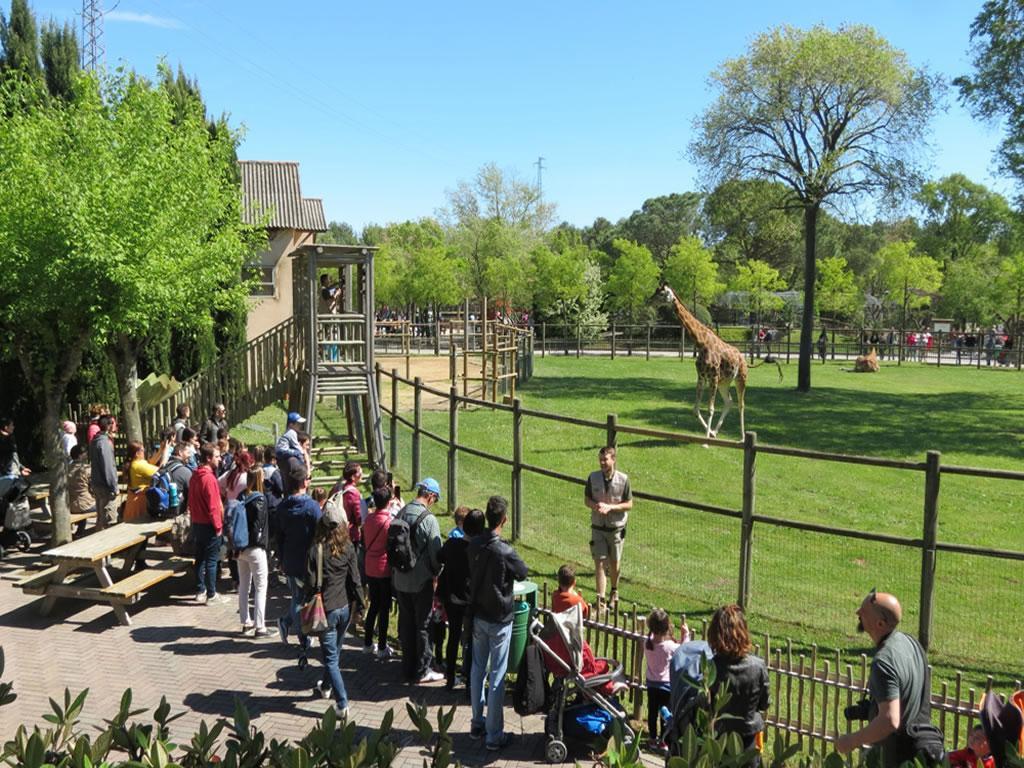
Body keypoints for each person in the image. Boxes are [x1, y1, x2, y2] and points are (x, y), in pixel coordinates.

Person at [835, 590, 943, 767]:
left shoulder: (884, 662)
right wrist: (872, 710)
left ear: (879, 623)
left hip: (899, 756)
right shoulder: (910, 643)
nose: (858, 613)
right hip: (921, 753)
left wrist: (851, 741)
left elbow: (890, 720)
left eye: (864, 611)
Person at [468, 495, 528, 751]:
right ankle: (494, 734)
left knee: (477, 669)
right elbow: (523, 571)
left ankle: (477, 722)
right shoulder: (504, 550)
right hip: (499, 618)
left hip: (478, 615)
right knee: (497, 676)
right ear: (504, 519)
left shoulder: (474, 544)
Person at [307, 500, 360, 718]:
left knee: (330, 658)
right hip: (344, 607)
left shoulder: (316, 550)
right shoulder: (348, 548)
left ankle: (342, 703)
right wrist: (361, 605)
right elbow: (355, 579)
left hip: (326, 609)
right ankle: (325, 687)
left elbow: (310, 582)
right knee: (334, 653)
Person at [393, 478, 444, 684]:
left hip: (400, 579)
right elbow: (436, 554)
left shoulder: (401, 512)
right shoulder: (429, 520)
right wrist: (436, 573)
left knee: (406, 623)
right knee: (423, 625)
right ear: (430, 495)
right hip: (421, 581)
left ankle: (407, 666)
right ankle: (422, 669)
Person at [276, 461, 322, 669]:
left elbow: (279, 536)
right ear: (304, 482)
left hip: (290, 560)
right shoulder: (312, 507)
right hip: (309, 563)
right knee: (301, 600)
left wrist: (281, 559)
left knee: (297, 596)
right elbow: (321, 535)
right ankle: (302, 635)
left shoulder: (282, 507)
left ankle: (289, 624)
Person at [706, 604, 770, 756]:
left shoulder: (711, 667)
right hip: (748, 740)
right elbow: (764, 703)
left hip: (718, 741)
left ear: (714, 634)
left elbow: (705, 705)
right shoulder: (758, 666)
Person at [437, 506, 481, 689]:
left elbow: (440, 557)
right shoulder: (478, 551)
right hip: (469, 601)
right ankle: (469, 678)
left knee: (453, 637)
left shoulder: (451, 544)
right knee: (470, 640)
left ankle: (450, 678)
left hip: (451, 597)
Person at [584, 446, 632, 608]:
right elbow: (587, 500)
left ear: (613, 459)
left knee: (614, 563)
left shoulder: (623, 480)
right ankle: (601, 600)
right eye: (600, 460)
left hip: (616, 529)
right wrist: (596, 506)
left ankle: (614, 591)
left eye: (605, 460)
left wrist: (611, 507)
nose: (602, 463)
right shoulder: (593, 478)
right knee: (599, 562)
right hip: (598, 527)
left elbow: (629, 504)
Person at [189, 442, 228, 605]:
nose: (219, 460)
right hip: (209, 525)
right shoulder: (209, 479)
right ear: (209, 458)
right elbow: (214, 506)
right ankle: (211, 594)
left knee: (199, 558)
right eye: (217, 456)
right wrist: (218, 527)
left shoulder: (194, 476)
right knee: (212, 560)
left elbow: (190, 499)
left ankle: (200, 590)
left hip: (197, 523)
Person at [362, 487, 395, 659]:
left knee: (373, 605)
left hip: (370, 566)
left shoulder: (368, 520)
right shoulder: (389, 522)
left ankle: (367, 643)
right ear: (388, 502)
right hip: (384, 569)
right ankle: (382, 646)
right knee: (384, 609)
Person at [236, 466, 270, 636]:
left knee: (244, 585)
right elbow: (258, 525)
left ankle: (245, 622)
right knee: (261, 586)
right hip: (255, 547)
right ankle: (260, 626)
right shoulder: (261, 499)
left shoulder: (241, 496)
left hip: (240, 548)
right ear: (259, 478)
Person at [645, 608, 685, 749]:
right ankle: (664, 740)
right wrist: (685, 635)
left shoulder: (647, 643)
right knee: (664, 713)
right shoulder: (669, 646)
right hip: (666, 686)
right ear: (667, 628)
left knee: (652, 712)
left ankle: (652, 738)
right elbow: (683, 649)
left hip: (651, 685)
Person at [88, 415, 118, 529]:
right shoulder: (104, 443)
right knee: (108, 521)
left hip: (97, 482)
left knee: (100, 520)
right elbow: (108, 466)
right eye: (114, 423)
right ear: (109, 425)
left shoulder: (95, 440)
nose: (116, 425)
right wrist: (113, 486)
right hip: (105, 486)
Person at [123, 440, 159, 522]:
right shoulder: (139, 465)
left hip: (132, 503)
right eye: (142, 450)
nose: (144, 452)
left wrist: (162, 451)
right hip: (139, 504)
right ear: (137, 453)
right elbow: (160, 472)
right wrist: (165, 457)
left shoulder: (133, 463)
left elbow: (150, 463)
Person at [67, 445, 96, 520]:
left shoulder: (67, 468)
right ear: (80, 456)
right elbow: (94, 486)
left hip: (71, 505)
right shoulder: (86, 469)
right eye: (85, 453)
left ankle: (80, 531)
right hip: (86, 504)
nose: (86, 454)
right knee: (106, 505)